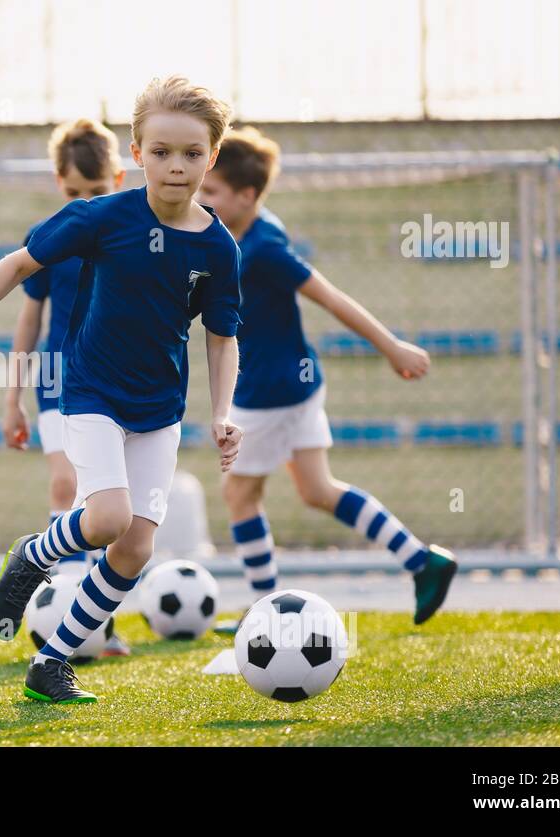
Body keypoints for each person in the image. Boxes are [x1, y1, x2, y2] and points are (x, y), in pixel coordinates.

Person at [0, 77, 243, 703]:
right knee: (107, 517)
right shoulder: (102, 217)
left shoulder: (218, 249)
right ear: (138, 151)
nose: (177, 166)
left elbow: (222, 338)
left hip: (159, 410)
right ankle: (32, 557)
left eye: (192, 153)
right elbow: (17, 265)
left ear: (213, 157)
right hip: (89, 392)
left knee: (136, 547)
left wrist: (222, 413)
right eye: (162, 151)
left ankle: (51, 661)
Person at [192, 127, 457, 633]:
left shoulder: (263, 250)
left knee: (239, 496)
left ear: (246, 197)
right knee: (317, 489)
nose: (203, 200)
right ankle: (422, 561)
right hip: (299, 386)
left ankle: (265, 612)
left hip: (266, 394)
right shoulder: (253, 228)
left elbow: (330, 297)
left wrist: (391, 346)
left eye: (213, 192)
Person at [2, 117, 131, 659]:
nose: (84, 202)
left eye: (96, 192)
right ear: (59, 184)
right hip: (59, 382)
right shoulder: (50, 239)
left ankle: (95, 619)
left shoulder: (132, 235)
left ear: (119, 180)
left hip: (117, 385)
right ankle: (55, 606)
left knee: (108, 507)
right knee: (65, 485)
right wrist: (12, 396)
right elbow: (30, 320)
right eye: (74, 192)